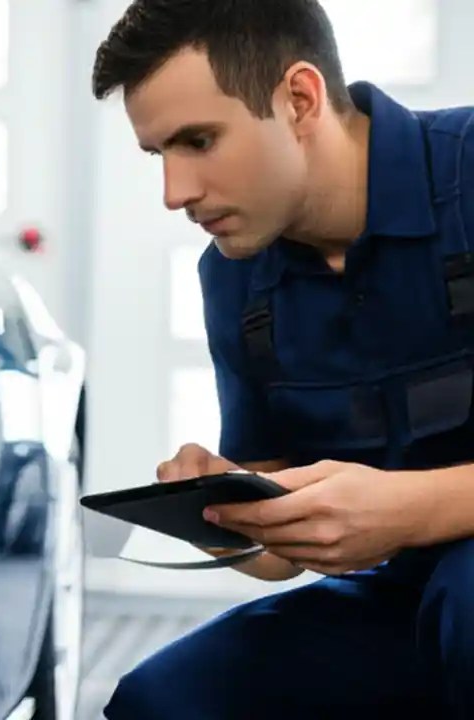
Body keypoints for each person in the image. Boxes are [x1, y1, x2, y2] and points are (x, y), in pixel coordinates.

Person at [91, 0, 474, 717]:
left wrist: (413, 509)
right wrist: (227, 509)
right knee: (159, 703)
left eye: (198, 141)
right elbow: (280, 558)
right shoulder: (234, 279)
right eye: (159, 156)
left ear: (299, 99)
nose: (175, 194)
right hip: (404, 597)